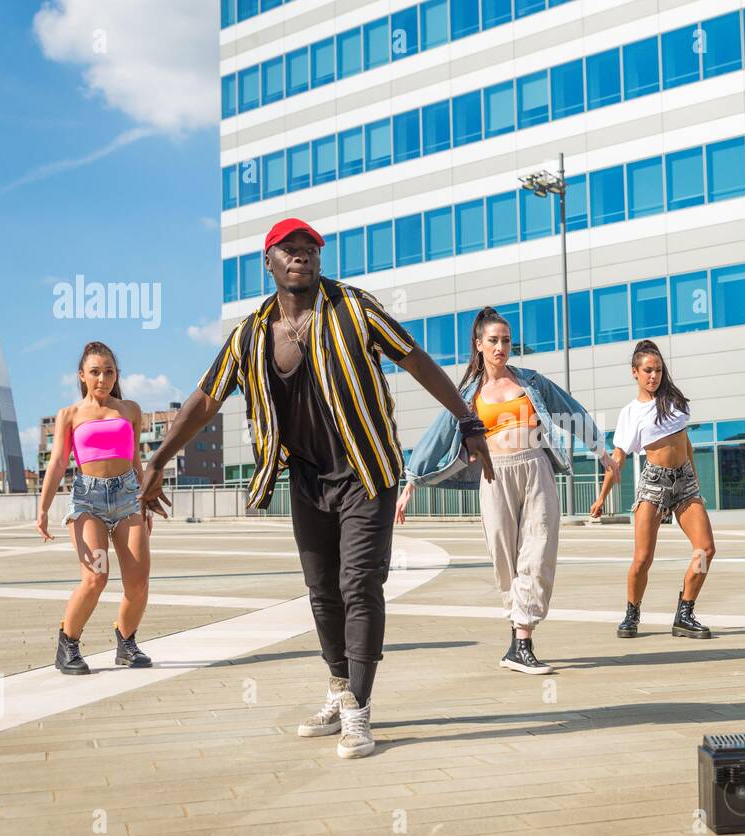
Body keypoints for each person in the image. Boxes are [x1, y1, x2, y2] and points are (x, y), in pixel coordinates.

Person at [139, 217, 492, 759]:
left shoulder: (355, 307)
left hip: (366, 471)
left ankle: (360, 711)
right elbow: (206, 399)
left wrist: (466, 418)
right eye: (289, 249)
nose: (301, 256)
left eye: (310, 249)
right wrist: (157, 459)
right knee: (322, 591)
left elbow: (415, 359)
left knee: (360, 585)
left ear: (319, 260)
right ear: (269, 262)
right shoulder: (252, 333)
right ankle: (338, 686)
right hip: (306, 478)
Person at [399, 307, 619, 674]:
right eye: (493, 341)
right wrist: (411, 483)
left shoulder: (531, 382)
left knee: (539, 549)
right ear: (479, 345)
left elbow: (571, 410)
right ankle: (517, 631)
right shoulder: (468, 393)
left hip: (536, 468)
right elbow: (438, 436)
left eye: (506, 341)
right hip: (493, 476)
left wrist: (600, 450)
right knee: (505, 557)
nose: (501, 347)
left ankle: (522, 640)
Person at [37, 341, 154, 675]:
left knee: (138, 582)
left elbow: (135, 460)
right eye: (95, 372)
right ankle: (68, 644)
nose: (102, 378)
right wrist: (43, 509)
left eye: (109, 371)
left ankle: (126, 642)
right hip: (88, 501)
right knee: (95, 578)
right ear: (82, 375)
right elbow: (58, 463)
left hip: (128, 498)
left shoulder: (129, 409)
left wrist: (145, 501)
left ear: (116, 374)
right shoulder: (70, 415)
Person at [592, 339, 717, 640]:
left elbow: (685, 443)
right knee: (642, 558)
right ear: (634, 372)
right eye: (648, 370)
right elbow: (618, 459)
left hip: (684, 482)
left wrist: (695, 482)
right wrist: (602, 497)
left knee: (706, 550)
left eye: (658, 370)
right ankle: (632, 613)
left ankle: (684, 613)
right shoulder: (631, 413)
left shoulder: (675, 402)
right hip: (653, 483)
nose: (654, 376)